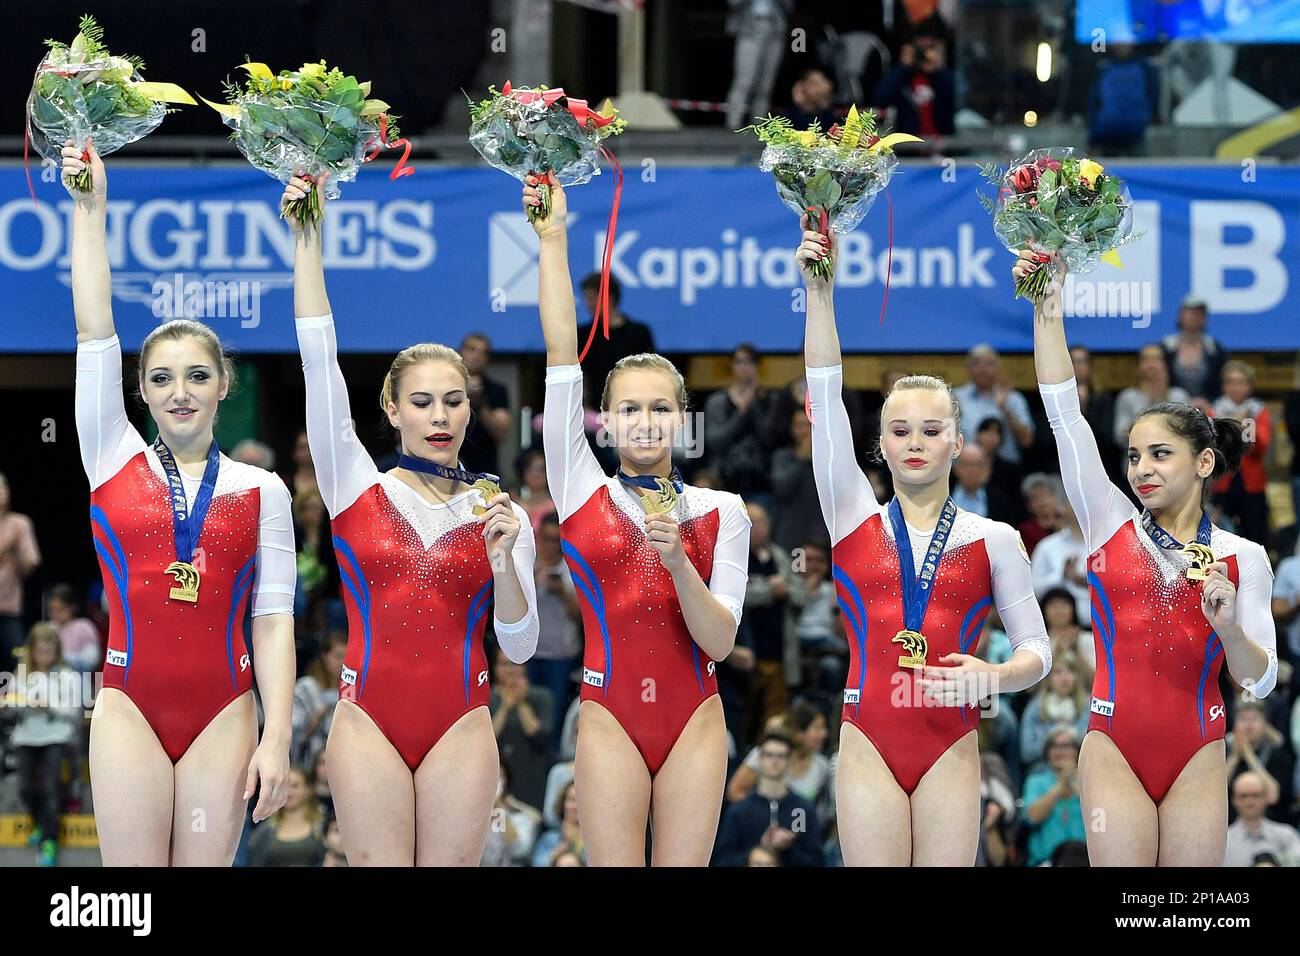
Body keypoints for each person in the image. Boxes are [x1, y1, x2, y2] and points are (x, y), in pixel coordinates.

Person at [285, 174, 539, 866]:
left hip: (462, 722)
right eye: (421, 401)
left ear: (468, 409)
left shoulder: (500, 512)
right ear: (393, 410)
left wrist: (503, 565)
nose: (439, 416)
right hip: (367, 720)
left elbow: (518, 648)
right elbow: (319, 362)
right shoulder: (353, 486)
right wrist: (307, 236)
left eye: (453, 401)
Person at [66, 141, 294, 866]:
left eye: (198, 376)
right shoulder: (110, 456)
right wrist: (89, 211)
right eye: (162, 378)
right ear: (142, 391)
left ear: (224, 384)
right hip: (129, 705)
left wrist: (278, 739)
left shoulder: (264, 492)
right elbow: (94, 329)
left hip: (226, 712)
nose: (180, 392)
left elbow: (274, 625)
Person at [798, 220, 1050, 866]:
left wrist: (994, 675)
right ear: (879, 445)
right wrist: (819, 294)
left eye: (931, 429)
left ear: (958, 443)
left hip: (951, 745)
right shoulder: (850, 515)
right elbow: (825, 400)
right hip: (867, 742)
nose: (914, 441)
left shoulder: (995, 539)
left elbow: (1038, 653)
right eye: (899, 429)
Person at [1018, 247, 1278, 865]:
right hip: (1113, 743)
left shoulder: (1244, 557)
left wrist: (1226, 627)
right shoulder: (1109, 521)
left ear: (1204, 462)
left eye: (1160, 454)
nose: (1142, 469)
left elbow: (1260, 680)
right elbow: (1063, 414)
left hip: (1197, 746)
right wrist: (1046, 304)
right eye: (1134, 456)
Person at [527, 176, 752, 866]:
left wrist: (681, 560)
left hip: (695, 718)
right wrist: (554, 236)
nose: (646, 421)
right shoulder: (580, 489)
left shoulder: (723, 513)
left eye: (660, 408)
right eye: (630, 409)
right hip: (606, 715)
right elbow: (562, 356)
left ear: (682, 422)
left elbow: (716, 642)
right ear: (607, 422)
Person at [7, 624, 80, 866]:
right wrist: (20, 704)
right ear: (32, 650)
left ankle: (49, 840)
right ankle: (41, 823)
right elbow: (12, 703)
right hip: (26, 736)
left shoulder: (67, 674)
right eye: (40, 651)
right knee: (25, 789)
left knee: (50, 789)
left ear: (57, 650)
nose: (45, 656)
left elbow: (75, 713)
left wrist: (49, 705)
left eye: (49, 651)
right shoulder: (22, 673)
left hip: (56, 736)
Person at [712, 731, 823, 866]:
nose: (774, 761)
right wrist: (751, 856)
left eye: (781, 756)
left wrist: (789, 848)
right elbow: (721, 861)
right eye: (769, 755)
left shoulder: (803, 810)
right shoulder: (739, 811)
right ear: (759, 759)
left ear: (789, 760)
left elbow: (816, 862)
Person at [742, 502, 803, 736]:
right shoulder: (732, 554)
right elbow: (733, 594)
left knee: (775, 713)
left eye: (762, 522)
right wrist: (769, 590)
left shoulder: (780, 557)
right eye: (752, 522)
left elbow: (800, 593)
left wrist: (785, 590)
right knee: (747, 712)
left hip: (778, 650)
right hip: (745, 649)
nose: (757, 528)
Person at [526, 512, 582, 748]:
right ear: (537, 536)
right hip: (526, 655)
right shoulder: (526, 563)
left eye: (555, 540)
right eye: (546, 538)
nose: (550, 545)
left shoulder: (572, 569)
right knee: (526, 716)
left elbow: (583, 616)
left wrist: (562, 593)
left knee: (555, 721)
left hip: (560, 657)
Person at [704, 343, 775, 506]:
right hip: (725, 480)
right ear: (732, 365)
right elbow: (714, 442)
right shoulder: (717, 401)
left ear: (757, 366)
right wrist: (741, 413)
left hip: (761, 482)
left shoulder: (770, 400)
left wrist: (754, 405)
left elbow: (770, 439)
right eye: (739, 362)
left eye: (749, 362)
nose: (744, 367)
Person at [725, 701, 831, 809]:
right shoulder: (766, 754)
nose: (824, 734)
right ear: (799, 733)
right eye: (817, 728)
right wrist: (762, 815)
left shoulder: (822, 766)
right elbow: (735, 791)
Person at [1211, 360, 1271, 546]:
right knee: (1220, 538)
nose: (1236, 387)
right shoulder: (1214, 411)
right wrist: (1236, 423)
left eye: (1241, 382)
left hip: (1252, 486)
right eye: (1231, 382)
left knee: (1255, 537)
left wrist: (1241, 424)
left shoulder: (1258, 411)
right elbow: (1214, 445)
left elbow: (1261, 446)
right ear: (1224, 386)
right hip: (1222, 484)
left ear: (1249, 385)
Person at [576, 272, 656, 410]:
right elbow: (581, 375)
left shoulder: (639, 333)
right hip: (594, 413)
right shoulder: (583, 334)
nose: (588, 304)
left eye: (592, 298)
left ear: (608, 297)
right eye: (586, 299)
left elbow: (650, 372)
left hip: (632, 407)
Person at [491, 647, 555, 810]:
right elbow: (487, 740)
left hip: (531, 778)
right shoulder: (487, 697)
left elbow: (540, 737)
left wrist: (520, 703)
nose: (510, 670)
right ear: (495, 668)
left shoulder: (541, 696)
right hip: (495, 781)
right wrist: (505, 707)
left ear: (524, 665)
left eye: (515, 663)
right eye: (504, 664)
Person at [954, 344, 1036, 466]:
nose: (983, 369)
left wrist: (1005, 410)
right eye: (976, 363)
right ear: (968, 368)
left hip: (1004, 471)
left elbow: (1027, 440)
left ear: (998, 367)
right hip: (965, 470)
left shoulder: (1013, 399)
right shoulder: (956, 398)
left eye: (989, 364)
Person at [1022, 726, 1088, 867]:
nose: (1060, 751)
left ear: (1078, 750)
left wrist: (1074, 785)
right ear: (1047, 752)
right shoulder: (1036, 781)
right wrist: (1060, 785)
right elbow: (1032, 818)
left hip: (1086, 859)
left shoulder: (1088, 781)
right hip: (1046, 861)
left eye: (1066, 746)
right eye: (1054, 746)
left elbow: (1099, 815)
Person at [724, 0, 794, 129]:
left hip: (775, 29)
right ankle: (733, 124)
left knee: (766, 84)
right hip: (749, 29)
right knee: (744, 80)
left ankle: (758, 125)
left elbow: (789, 6)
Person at [871, 35, 956, 142]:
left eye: (928, 48)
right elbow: (879, 99)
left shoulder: (941, 77)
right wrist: (902, 66)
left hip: (943, 145)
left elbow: (957, 98)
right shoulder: (901, 79)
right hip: (909, 147)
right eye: (919, 49)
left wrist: (937, 69)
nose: (922, 54)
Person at [1225, 699, 1295, 824]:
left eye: (1255, 719)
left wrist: (1248, 754)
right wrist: (1235, 756)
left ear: (1265, 725)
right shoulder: (1223, 752)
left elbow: (1272, 796)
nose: (1249, 725)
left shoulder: (1279, 755)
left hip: (1272, 825)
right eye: (1243, 719)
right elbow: (1215, 792)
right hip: (1229, 826)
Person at [1031, 488, 1093, 628]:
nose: (1080, 508)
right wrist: (1061, 575)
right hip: (1060, 629)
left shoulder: (1108, 544)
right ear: (1062, 508)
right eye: (1074, 503)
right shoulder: (1047, 546)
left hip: (1106, 629)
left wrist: (1088, 581)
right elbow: (1033, 590)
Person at [1019, 652, 1091, 770]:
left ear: (1076, 676)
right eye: (1058, 672)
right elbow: (1027, 752)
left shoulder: (1086, 706)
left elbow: (1093, 747)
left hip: (1079, 769)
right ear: (1048, 678)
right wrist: (1052, 742)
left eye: (1070, 672)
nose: (1065, 677)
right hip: (1043, 770)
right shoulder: (1035, 709)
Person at [0, 471, 41, 675]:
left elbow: (31, 564)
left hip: (10, 609)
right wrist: (7, 545)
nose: (2, 490)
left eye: (4, 485)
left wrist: (15, 552)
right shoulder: (12, 534)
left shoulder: (20, 524)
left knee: (19, 663)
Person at [245, 767, 326, 867]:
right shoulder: (265, 830)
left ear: (308, 789)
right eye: (284, 787)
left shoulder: (322, 826)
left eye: (295, 786)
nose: (289, 792)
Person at [458, 333, 513, 477]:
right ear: (460, 352)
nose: (476, 356)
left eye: (483, 353)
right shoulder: (444, 386)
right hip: (449, 463)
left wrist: (479, 401)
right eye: (472, 349)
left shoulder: (496, 390)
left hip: (484, 468)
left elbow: (501, 433)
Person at [1161, 295, 1228, 409]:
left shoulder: (1215, 349)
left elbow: (1221, 383)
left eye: (1199, 313)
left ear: (1205, 318)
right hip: (1170, 405)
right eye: (1190, 312)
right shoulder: (1166, 347)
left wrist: (1209, 402)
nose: (1194, 316)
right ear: (1180, 316)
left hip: (1207, 407)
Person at [291, 633, 345, 769]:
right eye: (338, 656)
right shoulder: (305, 688)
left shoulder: (352, 691)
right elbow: (294, 733)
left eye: (347, 657)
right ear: (325, 656)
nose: (343, 663)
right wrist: (319, 714)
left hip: (341, 760)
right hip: (308, 762)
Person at [1224, 771, 1300, 866]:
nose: (1249, 802)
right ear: (1234, 800)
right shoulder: (1224, 842)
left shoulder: (1287, 835)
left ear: (1265, 797)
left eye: (1255, 795)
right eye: (1243, 796)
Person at [950, 445, 1016, 524]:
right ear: (956, 468)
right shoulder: (944, 496)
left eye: (976, 465)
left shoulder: (999, 501)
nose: (971, 470)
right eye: (966, 464)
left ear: (985, 468)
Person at [43, 583, 100, 673]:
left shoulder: (84, 626)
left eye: (60, 609)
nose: (55, 614)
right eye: (52, 610)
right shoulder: (47, 628)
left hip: (77, 681)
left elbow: (91, 662)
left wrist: (59, 658)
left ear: (72, 607)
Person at [531, 781, 585, 867]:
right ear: (563, 804)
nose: (576, 806)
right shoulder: (549, 839)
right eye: (572, 800)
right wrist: (565, 844)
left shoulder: (598, 840)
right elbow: (537, 864)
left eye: (581, 801)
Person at [781, 67, 838, 131]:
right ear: (801, 86)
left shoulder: (829, 114)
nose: (819, 89)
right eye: (814, 83)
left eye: (822, 82)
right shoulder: (789, 114)